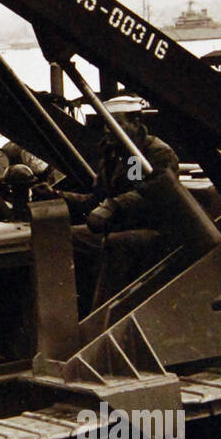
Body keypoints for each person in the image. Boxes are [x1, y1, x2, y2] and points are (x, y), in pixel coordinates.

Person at [59, 97, 180, 307]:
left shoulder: (156, 153)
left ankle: (106, 310)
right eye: (107, 124)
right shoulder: (118, 155)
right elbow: (98, 198)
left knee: (115, 243)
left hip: (155, 229)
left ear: (136, 123)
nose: (108, 130)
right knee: (60, 238)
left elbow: (153, 193)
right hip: (122, 224)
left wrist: (113, 206)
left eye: (116, 123)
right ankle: (76, 306)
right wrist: (59, 196)